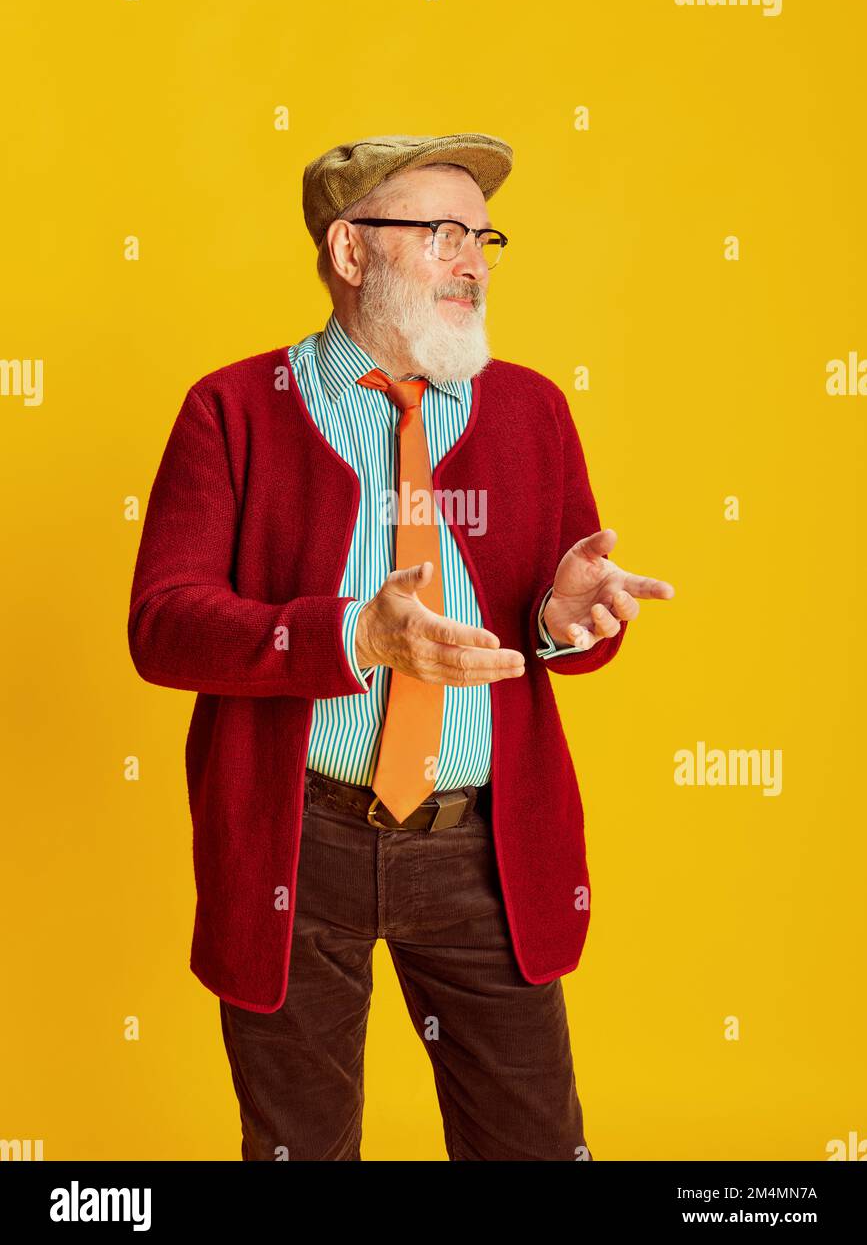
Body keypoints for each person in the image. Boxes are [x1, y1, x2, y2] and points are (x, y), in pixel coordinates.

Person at [127, 132, 675, 1161]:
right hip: (298, 841)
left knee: (534, 1146)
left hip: (486, 848)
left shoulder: (532, 410)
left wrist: (562, 624)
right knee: (302, 1147)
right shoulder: (235, 409)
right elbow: (163, 623)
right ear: (348, 251)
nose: (473, 260)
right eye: (442, 233)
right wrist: (350, 634)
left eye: (484, 237)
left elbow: (563, 627)